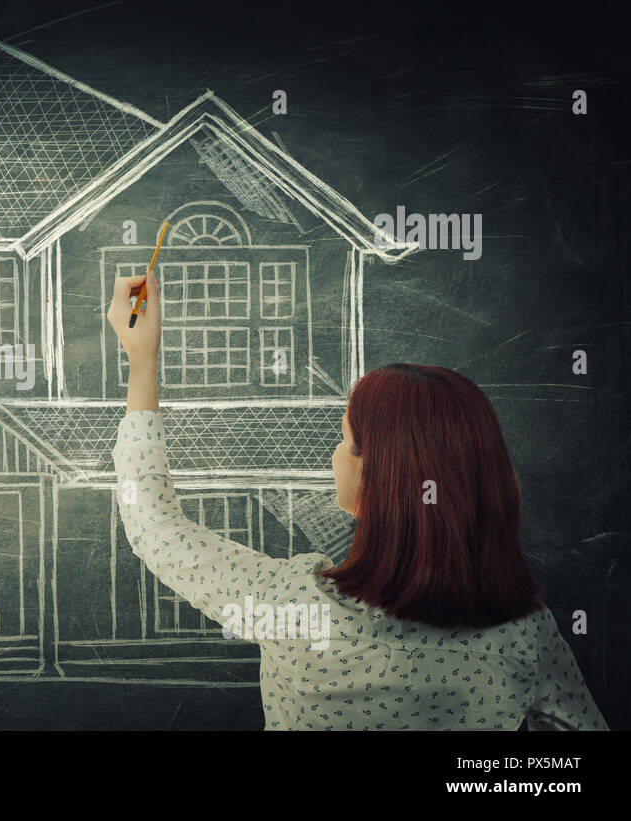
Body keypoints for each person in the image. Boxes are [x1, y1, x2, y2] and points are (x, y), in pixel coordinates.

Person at [108, 267, 608, 730]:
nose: (335, 454)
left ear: (379, 479)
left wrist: (142, 362)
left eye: (346, 439)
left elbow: (153, 524)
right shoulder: (523, 634)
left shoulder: (289, 606)